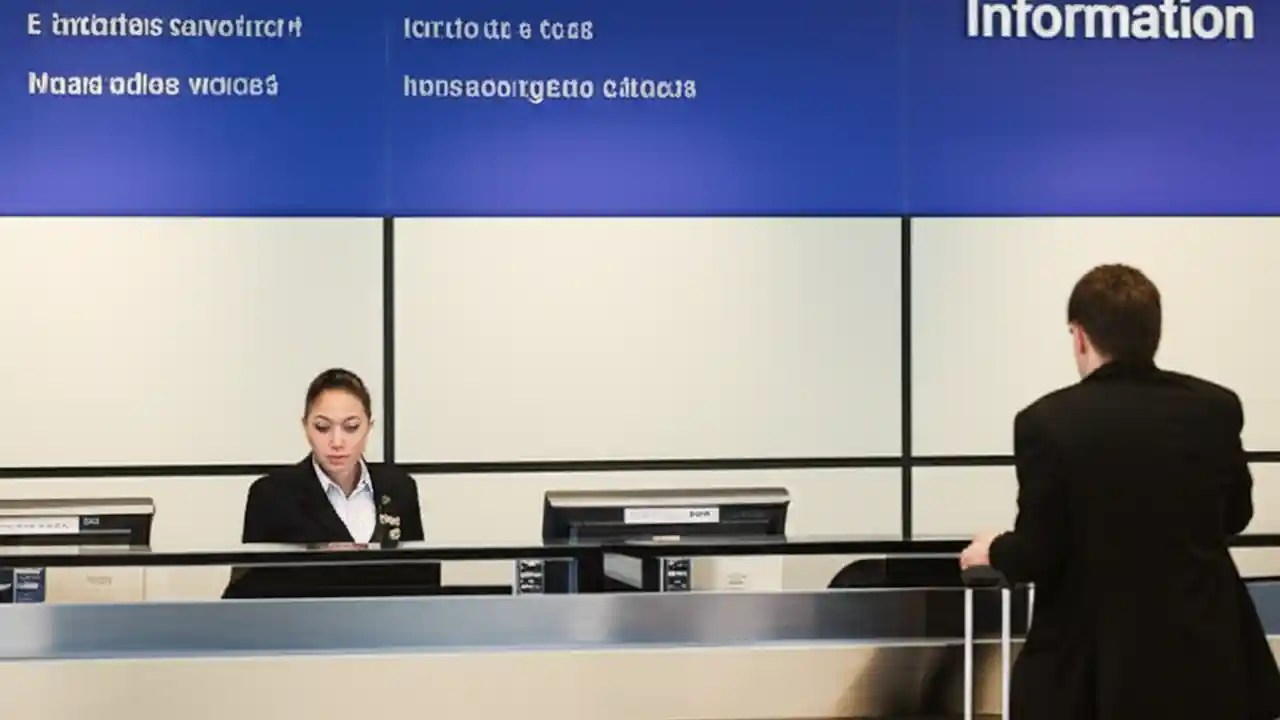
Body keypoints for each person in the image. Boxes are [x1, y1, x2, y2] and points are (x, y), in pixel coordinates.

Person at [960, 264, 1280, 720]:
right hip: (1209, 665)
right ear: (1153, 333)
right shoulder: (1215, 408)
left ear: (1079, 336)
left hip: (1096, 674)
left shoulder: (1046, 422)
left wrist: (994, 549)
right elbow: (1234, 516)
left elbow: (1039, 553)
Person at [223, 368, 427, 598]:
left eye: (351, 427)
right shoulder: (272, 494)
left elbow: (422, 582)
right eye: (322, 427)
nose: (337, 442)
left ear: (369, 428)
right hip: (304, 620)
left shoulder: (399, 488)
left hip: (388, 619)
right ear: (306, 427)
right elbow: (246, 594)